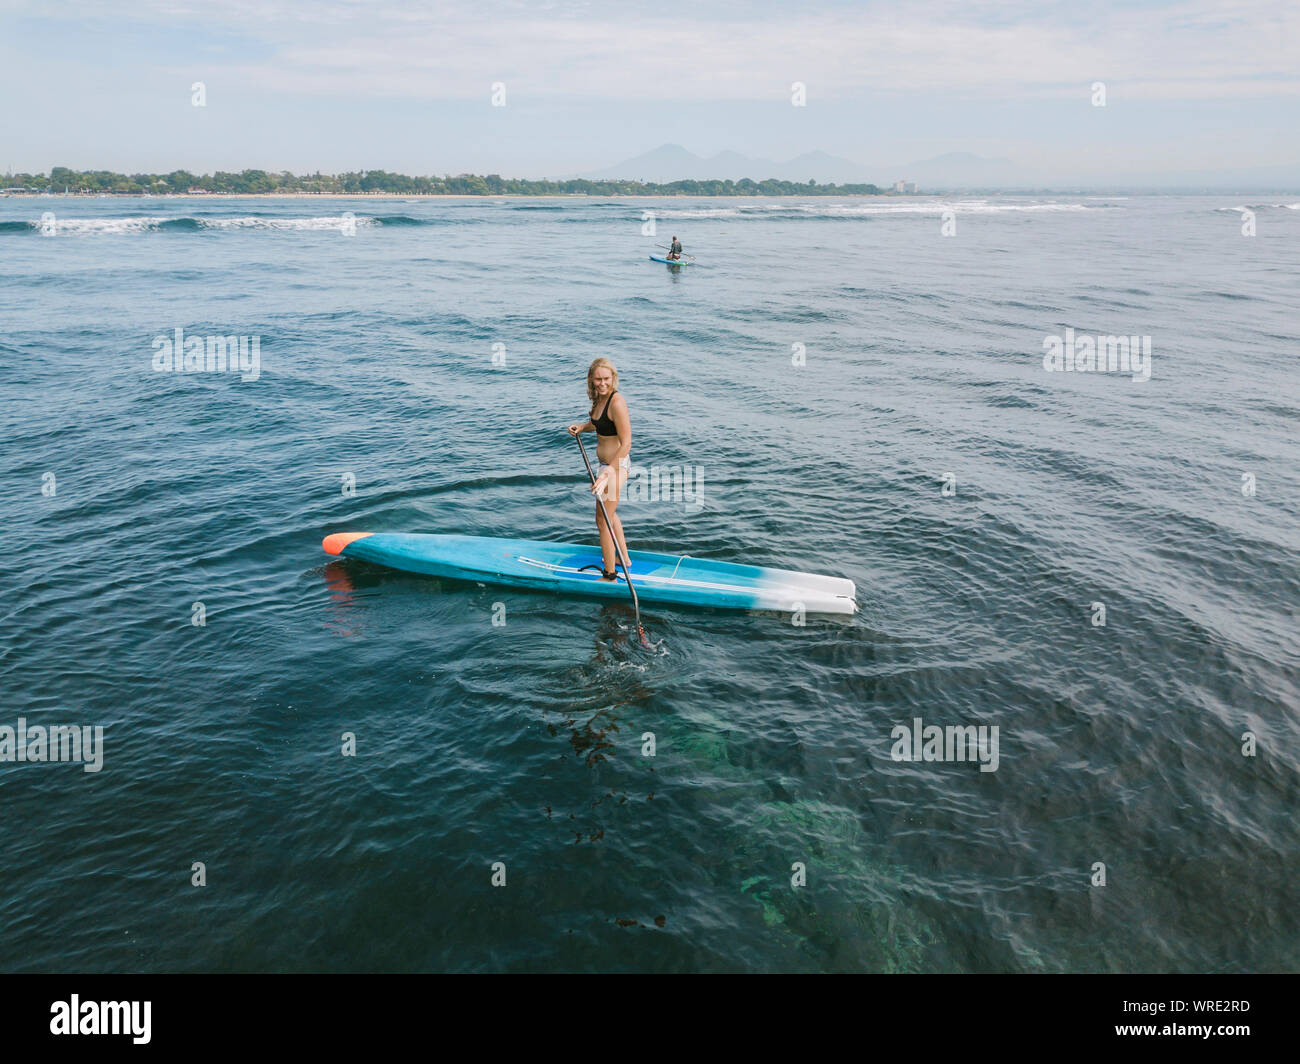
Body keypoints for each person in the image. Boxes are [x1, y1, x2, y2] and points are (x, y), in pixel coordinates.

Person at [567, 358, 632, 581]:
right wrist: (582, 427)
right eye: (598, 379)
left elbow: (626, 443)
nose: (602, 383)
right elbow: (599, 424)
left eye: (606, 378)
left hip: (616, 466)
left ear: (613, 378)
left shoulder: (617, 402)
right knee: (609, 515)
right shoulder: (599, 400)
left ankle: (610, 574)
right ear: (591, 380)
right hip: (605, 466)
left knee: (602, 519)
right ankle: (622, 557)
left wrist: (608, 473)